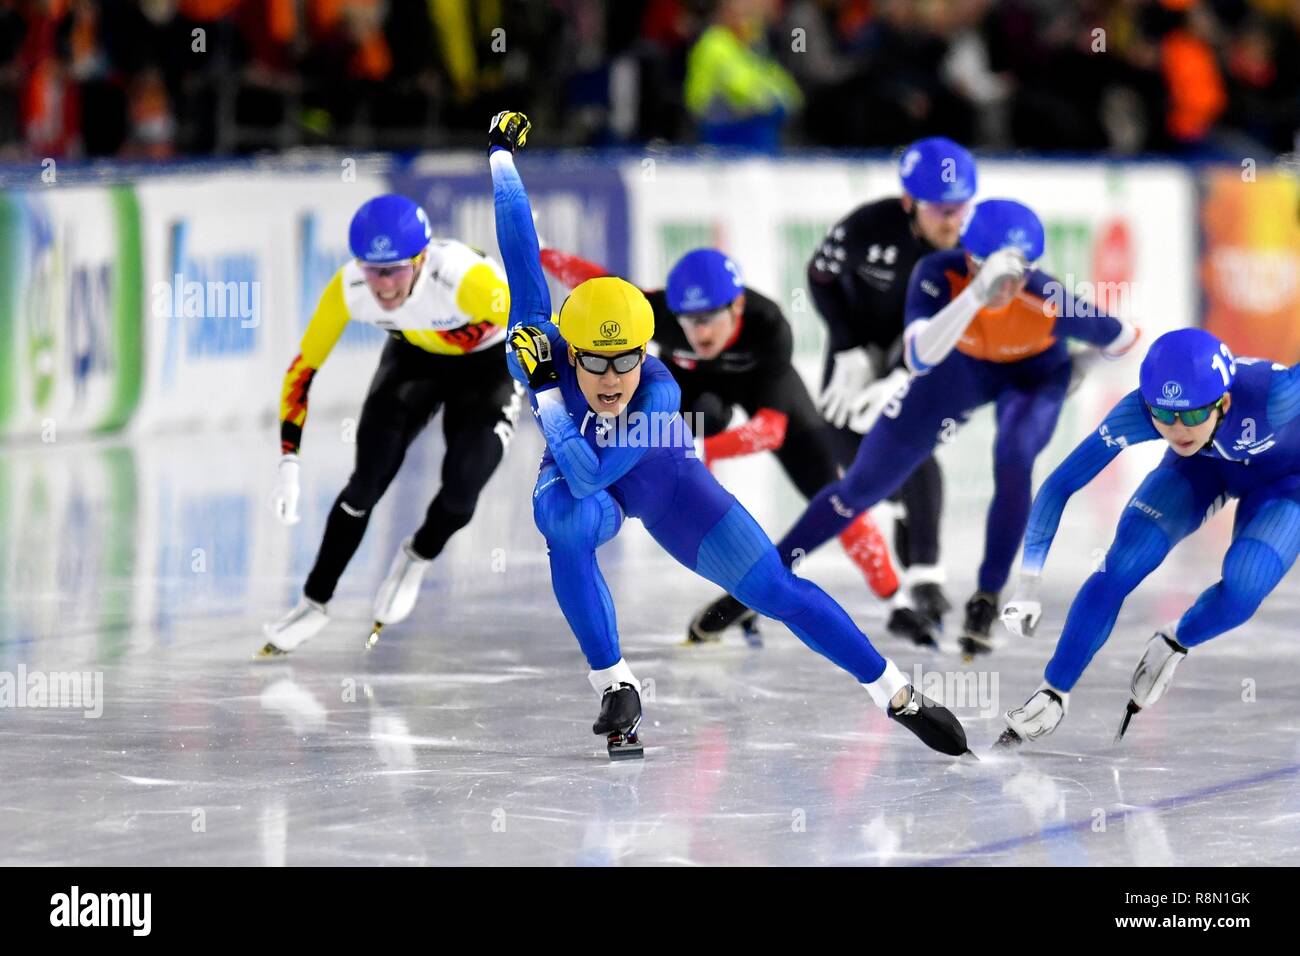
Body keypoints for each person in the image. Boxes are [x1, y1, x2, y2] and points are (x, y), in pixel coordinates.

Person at [488, 109, 969, 760]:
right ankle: (615, 684)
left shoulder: (658, 390)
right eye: (595, 364)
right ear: (570, 351)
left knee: (774, 591)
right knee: (563, 519)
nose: (611, 379)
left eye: (626, 360)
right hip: (586, 491)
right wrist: (502, 159)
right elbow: (521, 252)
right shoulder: (539, 340)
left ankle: (895, 692)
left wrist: (549, 392)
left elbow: (594, 469)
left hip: (659, 484)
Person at [709, 198, 1140, 659]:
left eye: (1017, 275)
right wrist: (974, 296)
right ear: (968, 257)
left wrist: (1081, 366)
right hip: (963, 368)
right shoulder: (937, 273)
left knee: (1014, 456)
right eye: (989, 271)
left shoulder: (1049, 297)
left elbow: (1125, 339)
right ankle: (761, 581)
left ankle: (986, 597)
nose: (1005, 287)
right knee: (861, 487)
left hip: (1032, 379)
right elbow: (919, 357)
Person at [538, 245, 899, 643]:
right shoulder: (661, 315)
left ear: (737, 306)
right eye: (689, 321)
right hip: (698, 397)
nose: (700, 333)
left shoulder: (769, 326)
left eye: (708, 319)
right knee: (691, 432)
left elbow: (770, 430)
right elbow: (598, 286)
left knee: (829, 490)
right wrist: (538, 253)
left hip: (763, 393)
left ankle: (894, 597)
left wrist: (705, 450)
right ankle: (744, 577)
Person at [998, 328, 1300, 745]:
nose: (1177, 429)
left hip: (1285, 482)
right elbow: (1059, 485)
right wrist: (1028, 583)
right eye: (1164, 414)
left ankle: (1175, 640)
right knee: (1122, 561)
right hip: (1200, 469)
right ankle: (1052, 692)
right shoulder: (1140, 412)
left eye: (1192, 415)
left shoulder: (1277, 396)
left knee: (1244, 586)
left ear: (1225, 403)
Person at [258, 194, 523, 656]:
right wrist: (289, 463)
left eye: (394, 270)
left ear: (420, 259)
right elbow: (302, 370)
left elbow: (542, 329)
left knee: (462, 489)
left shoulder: (467, 283)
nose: (382, 285)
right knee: (365, 484)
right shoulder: (349, 288)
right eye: (372, 270)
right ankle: (314, 601)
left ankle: (418, 555)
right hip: (414, 361)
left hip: (488, 367)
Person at [804, 135, 977, 646]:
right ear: (909, 203)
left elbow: (965, 325)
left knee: (911, 447)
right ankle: (900, 504)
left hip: (923, 351)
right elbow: (820, 277)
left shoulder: (973, 249)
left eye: (961, 207)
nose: (953, 221)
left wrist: (904, 374)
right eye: (941, 210)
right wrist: (848, 346)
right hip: (858, 345)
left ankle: (926, 576)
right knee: (848, 446)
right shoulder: (868, 227)